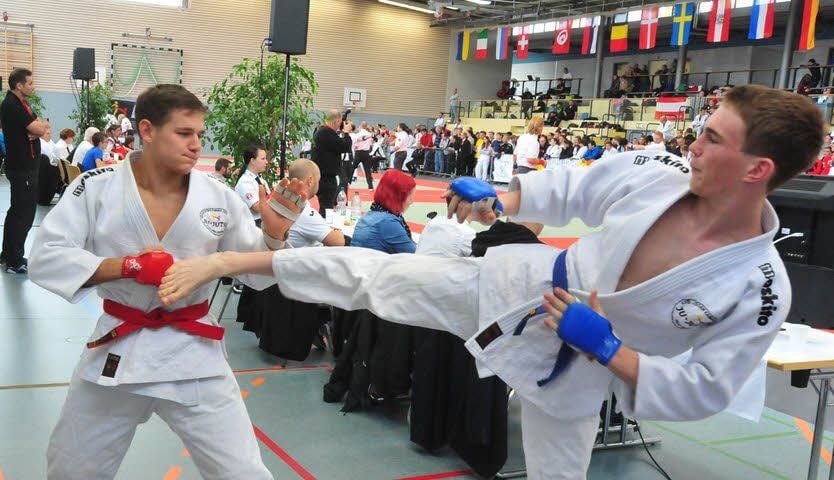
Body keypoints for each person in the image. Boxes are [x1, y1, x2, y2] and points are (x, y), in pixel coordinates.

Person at [157, 84, 823, 480]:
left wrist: (608, 348)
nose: (694, 145)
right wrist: (502, 198)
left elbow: (706, 388)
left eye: (713, 139)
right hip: (520, 286)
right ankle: (231, 263)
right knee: (373, 274)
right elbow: (570, 189)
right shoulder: (660, 177)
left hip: (582, 370)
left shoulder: (758, 286)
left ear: (757, 169)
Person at [28, 83, 308, 480]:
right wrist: (128, 267)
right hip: (119, 348)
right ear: (147, 130)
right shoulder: (97, 187)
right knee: (71, 470)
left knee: (243, 472)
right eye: (183, 133)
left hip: (194, 351)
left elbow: (253, 274)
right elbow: (47, 256)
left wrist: (274, 237)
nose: (196, 145)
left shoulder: (218, 196)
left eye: (199, 134)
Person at [1, 68, 51, 274]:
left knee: (16, 212)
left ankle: (7, 254)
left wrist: (37, 129)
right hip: (22, 167)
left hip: (25, 167)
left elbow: (43, 127)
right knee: (23, 214)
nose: (33, 86)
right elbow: (40, 129)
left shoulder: (23, 104)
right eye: (29, 83)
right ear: (19, 85)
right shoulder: (12, 105)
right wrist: (36, 130)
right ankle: (14, 261)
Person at [311, 109, 353, 217]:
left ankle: (322, 223)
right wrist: (346, 133)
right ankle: (323, 225)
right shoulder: (327, 132)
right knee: (326, 207)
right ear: (337, 121)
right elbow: (345, 147)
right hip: (326, 177)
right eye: (340, 122)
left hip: (321, 174)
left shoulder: (322, 131)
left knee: (325, 205)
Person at [352, 121, 375, 190]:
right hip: (366, 153)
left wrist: (356, 147)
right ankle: (370, 187)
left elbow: (355, 145)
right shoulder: (369, 134)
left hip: (358, 152)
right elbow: (371, 143)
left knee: (353, 167)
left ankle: (348, 182)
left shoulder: (357, 134)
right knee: (367, 170)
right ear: (366, 126)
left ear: (361, 126)